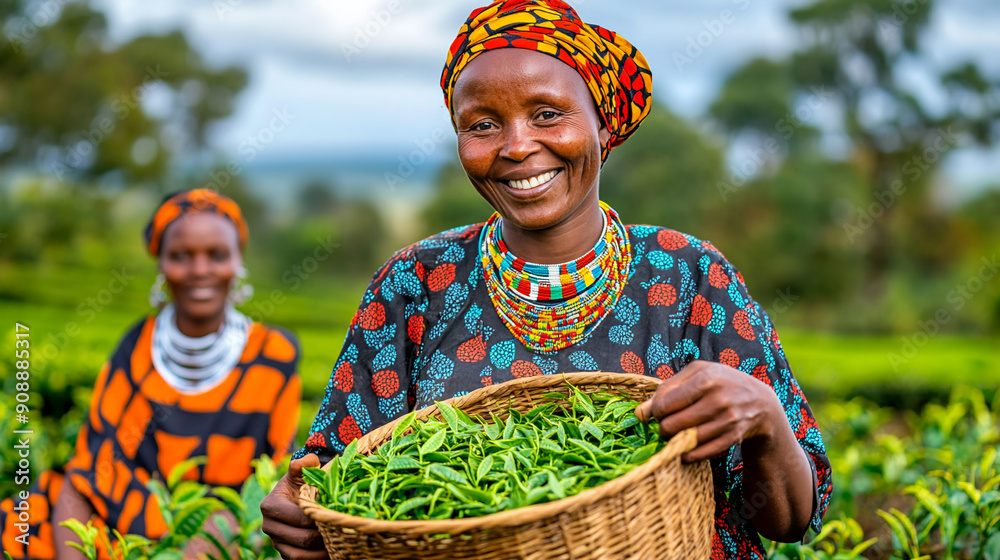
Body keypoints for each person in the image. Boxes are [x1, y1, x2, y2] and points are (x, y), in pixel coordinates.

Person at [261, 2, 832, 559]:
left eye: (547, 114)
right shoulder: (414, 285)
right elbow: (338, 478)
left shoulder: (690, 276)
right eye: (482, 125)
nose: (516, 146)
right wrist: (301, 513)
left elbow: (790, 518)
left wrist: (762, 415)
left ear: (604, 125)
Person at [1, 189, 302, 559]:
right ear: (160, 263)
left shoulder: (273, 355)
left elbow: (271, 484)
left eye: (216, 254)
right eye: (181, 256)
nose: (200, 269)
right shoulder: (137, 345)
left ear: (238, 260)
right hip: (120, 518)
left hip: (220, 528)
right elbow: (92, 469)